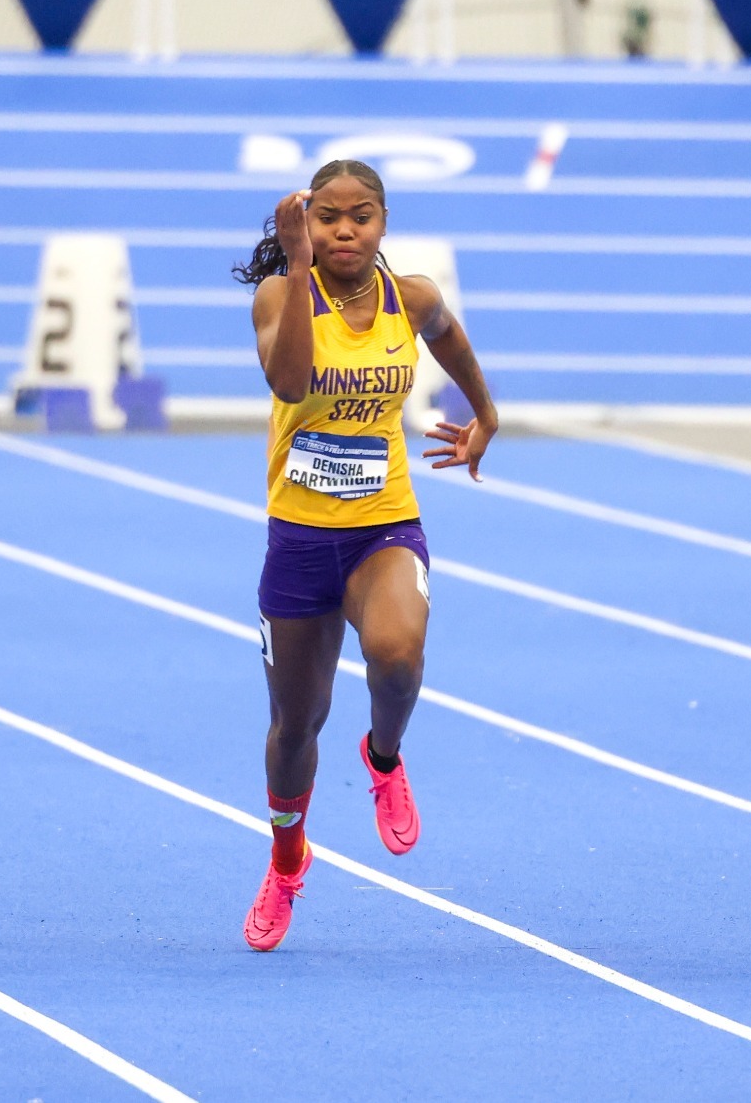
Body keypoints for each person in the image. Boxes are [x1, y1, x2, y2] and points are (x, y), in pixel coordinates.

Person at [229, 160, 499, 951]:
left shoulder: (406, 297)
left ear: (383, 223)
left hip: (384, 524)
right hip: (300, 537)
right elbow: (290, 383)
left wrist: (485, 413)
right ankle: (286, 860)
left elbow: (448, 335)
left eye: (362, 216)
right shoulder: (280, 296)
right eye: (329, 218)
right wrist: (302, 273)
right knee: (293, 723)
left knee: (397, 654)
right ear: (304, 226)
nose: (346, 230)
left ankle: (384, 754)